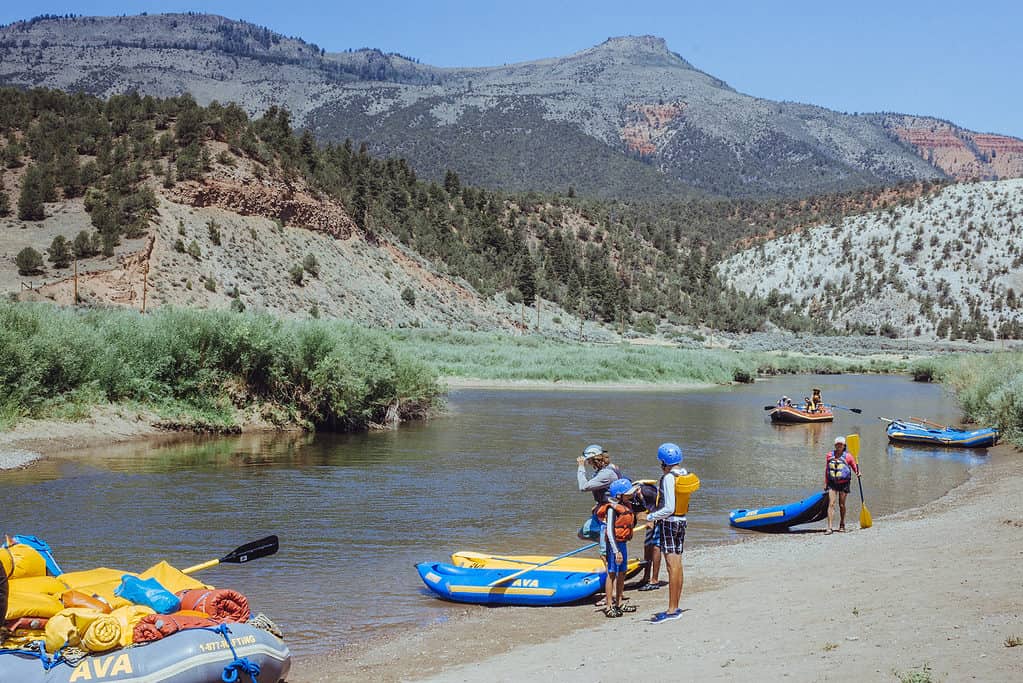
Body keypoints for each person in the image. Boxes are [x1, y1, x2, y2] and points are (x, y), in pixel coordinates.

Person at [646, 442, 700, 624]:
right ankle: (676, 606)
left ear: (663, 461)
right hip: (682, 521)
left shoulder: (669, 478)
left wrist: (651, 517)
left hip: (669, 522)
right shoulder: (684, 474)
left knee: (671, 566)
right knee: (678, 563)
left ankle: (672, 609)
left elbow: (668, 508)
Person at [596, 478, 637, 617]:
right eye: (628, 493)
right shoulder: (612, 510)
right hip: (614, 545)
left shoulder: (627, 505)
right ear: (619, 495)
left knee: (622, 573)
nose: (631, 495)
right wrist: (615, 550)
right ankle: (609, 605)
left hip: (622, 544)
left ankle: (619, 603)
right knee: (612, 573)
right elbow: (610, 532)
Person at [576, 444, 623, 541]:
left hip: (609, 512)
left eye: (589, 461)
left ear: (595, 460)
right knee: (583, 533)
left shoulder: (606, 474)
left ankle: (608, 542)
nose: (588, 463)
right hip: (602, 507)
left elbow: (583, 487)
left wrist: (581, 467)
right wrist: (598, 504)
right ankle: (607, 541)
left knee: (604, 543)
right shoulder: (606, 468)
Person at [629, 480, 665, 591]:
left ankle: (654, 581)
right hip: (651, 514)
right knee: (647, 545)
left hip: (661, 514)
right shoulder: (628, 497)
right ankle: (646, 577)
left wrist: (652, 519)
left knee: (655, 546)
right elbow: (634, 515)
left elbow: (659, 504)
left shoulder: (645, 491)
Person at [824, 436, 860, 533]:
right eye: (837, 444)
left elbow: (853, 466)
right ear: (835, 445)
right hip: (832, 483)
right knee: (831, 504)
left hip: (844, 483)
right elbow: (827, 469)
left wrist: (858, 472)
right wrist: (826, 483)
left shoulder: (848, 456)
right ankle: (830, 527)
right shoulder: (829, 455)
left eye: (841, 444)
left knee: (842, 505)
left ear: (844, 446)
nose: (839, 446)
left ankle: (842, 524)